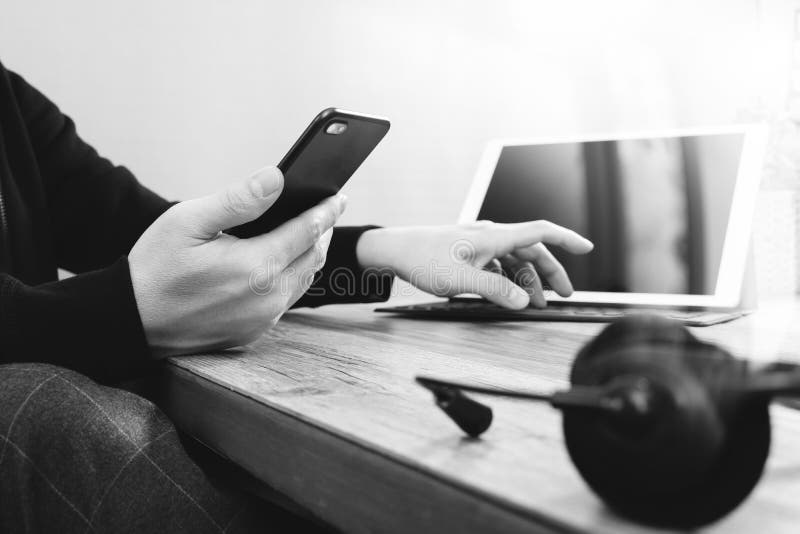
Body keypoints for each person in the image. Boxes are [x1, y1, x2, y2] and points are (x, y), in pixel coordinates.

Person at [0, 59, 593, 533]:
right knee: (45, 412)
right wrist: (126, 314)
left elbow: (135, 226)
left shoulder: (11, 102)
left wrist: (385, 250)